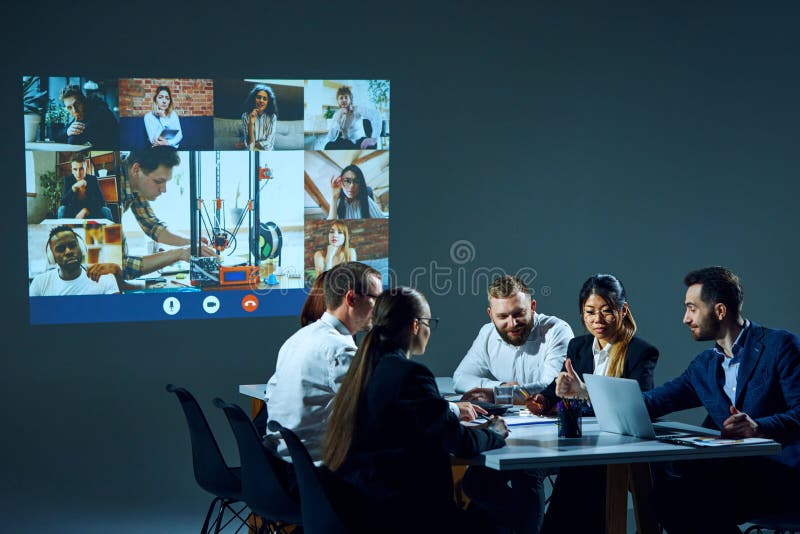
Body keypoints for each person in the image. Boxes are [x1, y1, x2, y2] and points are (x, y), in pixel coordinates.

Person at [322, 286, 509, 532]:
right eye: (429, 322)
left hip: (365, 505)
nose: (430, 330)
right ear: (415, 325)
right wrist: (493, 432)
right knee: (506, 512)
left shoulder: (364, 368)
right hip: (410, 514)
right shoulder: (411, 374)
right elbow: (459, 441)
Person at [642, 266, 800, 533]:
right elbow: (655, 401)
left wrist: (759, 427)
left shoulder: (780, 346)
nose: (685, 318)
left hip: (784, 474)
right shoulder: (704, 365)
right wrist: (585, 396)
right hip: (735, 473)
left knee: (693, 498)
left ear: (720, 311)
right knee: (664, 496)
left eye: (692, 308)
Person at [530, 274, 659, 534]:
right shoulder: (578, 346)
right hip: (584, 441)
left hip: (620, 444)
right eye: (590, 312)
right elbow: (562, 383)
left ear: (623, 310)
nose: (597, 320)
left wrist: (582, 392)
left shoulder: (640, 351)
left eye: (606, 311)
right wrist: (542, 399)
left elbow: (639, 404)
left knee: (580, 477)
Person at [265, 261, 383, 462]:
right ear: (352, 298)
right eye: (376, 299)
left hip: (283, 468)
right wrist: (451, 409)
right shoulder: (339, 350)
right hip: (319, 474)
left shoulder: (297, 339)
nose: (381, 308)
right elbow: (383, 404)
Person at [84, 147, 216, 284]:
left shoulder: (133, 179)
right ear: (136, 170)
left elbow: (152, 225)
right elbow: (120, 266)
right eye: (159, 181)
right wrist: (179, 253)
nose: (164, 189)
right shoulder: (107, 192)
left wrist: (192, 242)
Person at [454, 275, 574, 402]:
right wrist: (500, 387)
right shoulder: (487, 333)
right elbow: (460, 378)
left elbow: (552, 387)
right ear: (491, 315)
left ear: (533, 307)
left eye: (518, 314)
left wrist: (498, 395)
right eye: (502, 316)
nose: (512, 324)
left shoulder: (557, 331)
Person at [29, 225, 119, 296]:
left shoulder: (104, 279)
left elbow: (116, 314)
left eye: (72, 245)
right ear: (52, 257)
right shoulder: (40, 284)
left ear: (82, 249)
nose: (68, 252)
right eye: (60, 249)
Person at [58, 84, 119, 149]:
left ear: (83, 101)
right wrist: (68, 131)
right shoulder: (81, 115)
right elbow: (58, 135)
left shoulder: (100, 113)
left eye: (77, 104)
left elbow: (73, 141)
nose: (75, 110)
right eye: (69, 107)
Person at [57, 153, 113, 220]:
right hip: (73, 213)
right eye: (75, 169)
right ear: (71, 170)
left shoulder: (93, 179)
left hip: (90, 212)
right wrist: (73, 188)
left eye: (81, 169)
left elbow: (101, 202)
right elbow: (63, 203)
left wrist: (86, 210)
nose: (78, 173)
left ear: (86, 168)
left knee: (106, 210)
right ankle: (61, 230)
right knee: (61, 209)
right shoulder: (68, 180)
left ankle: (111, 229)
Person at [324, 85, 381, 150]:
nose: (344, 100)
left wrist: (374, 139)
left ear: (350, 100)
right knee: (328, 146)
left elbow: (376, 115)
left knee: (371, 146)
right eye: (341, 98)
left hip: (358, 142)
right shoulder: (337, 114)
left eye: (346, 97)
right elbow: (331, 137)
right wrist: (338, 118)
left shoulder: (357, 109)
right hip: (345, 143)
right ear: (338, 101)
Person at [241, 84, 278, 151]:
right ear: (253, 99)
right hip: (251, 151)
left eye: (265, 99)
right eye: (258, 97)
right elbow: (249, 146)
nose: (261, 101)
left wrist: (252, 143)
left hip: (267, 151)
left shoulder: (272, 117)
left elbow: (269, 143)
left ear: (268, 102)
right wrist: (251, 124)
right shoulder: (245, 116)